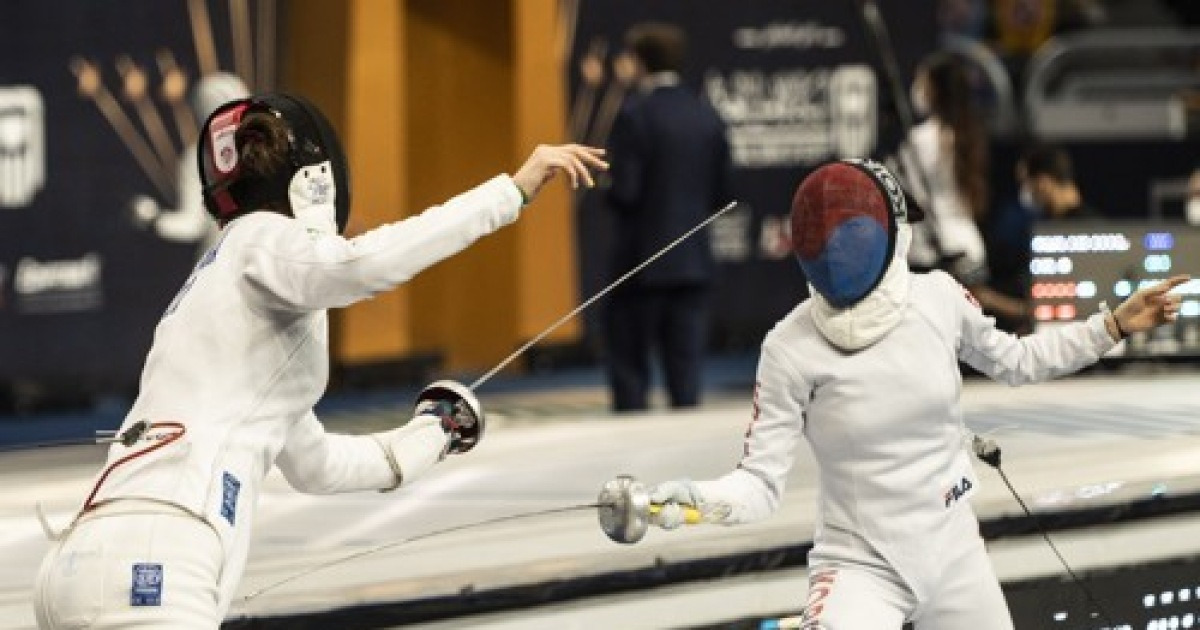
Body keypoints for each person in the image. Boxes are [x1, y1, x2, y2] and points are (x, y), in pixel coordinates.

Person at [31, 93, 606, 629]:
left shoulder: (227, 304)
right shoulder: (257, 237)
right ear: (315, 181)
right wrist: (511, 193)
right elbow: (358, 267)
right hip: (157, 556)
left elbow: (317, 465)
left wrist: (435, 431)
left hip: (81, 560)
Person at [646, 159, 1185, 629]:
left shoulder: (938, 298)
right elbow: (760, 485)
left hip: (954, 551)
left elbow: (1019, 361)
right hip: (861, 566)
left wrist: (1112, 326)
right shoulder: (790, 347)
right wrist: (696, 502)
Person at [603, 22, 733, 413]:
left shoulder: (634, 114)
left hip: (640, 265)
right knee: (686, 376)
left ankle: (626, 449)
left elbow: (626, 191)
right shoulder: (706, 114)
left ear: (639, 61)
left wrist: (605, 185)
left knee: (630, 371)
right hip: (693, 264)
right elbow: (723, 193)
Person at [896, 53, 1029, 330]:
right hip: (970, 246)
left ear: (934, 90)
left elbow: (911, 199)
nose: (917, 89)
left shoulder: (919, 140)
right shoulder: (971, 134)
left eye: (922, 82)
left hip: (935, 252)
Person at [1021, 142, 1102, 221]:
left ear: (1043, 180)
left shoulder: (1091, 226)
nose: (1027, 189)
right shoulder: (1045, 221)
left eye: (1028, 182)